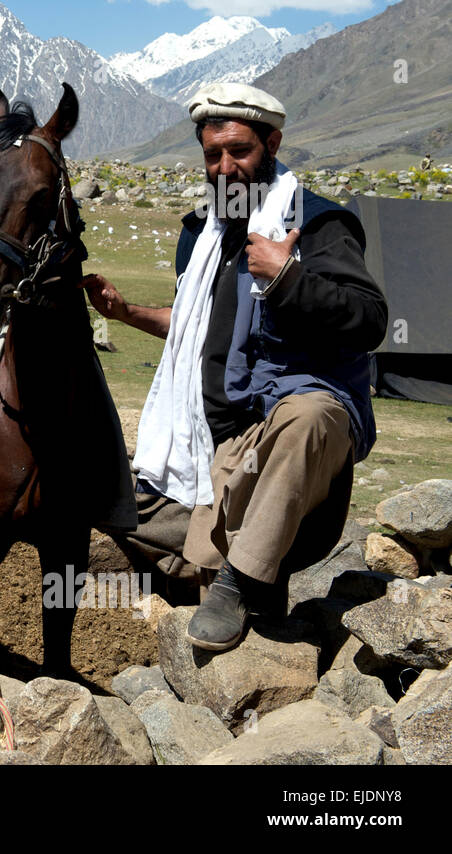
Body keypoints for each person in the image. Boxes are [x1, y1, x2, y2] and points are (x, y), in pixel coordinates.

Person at [82, 83, 387, 652]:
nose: (225, 167)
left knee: (313, 414)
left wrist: (287, 277)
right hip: (213, 432)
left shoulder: (318, 226)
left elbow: (370, 320)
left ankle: (238, 580)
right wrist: (125, 313)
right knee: (94, 487)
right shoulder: (203, 232)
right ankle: (205, 569)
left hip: (282, 428)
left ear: (272, 144)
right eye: (212, 155)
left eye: (239, 152)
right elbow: (197, 324)